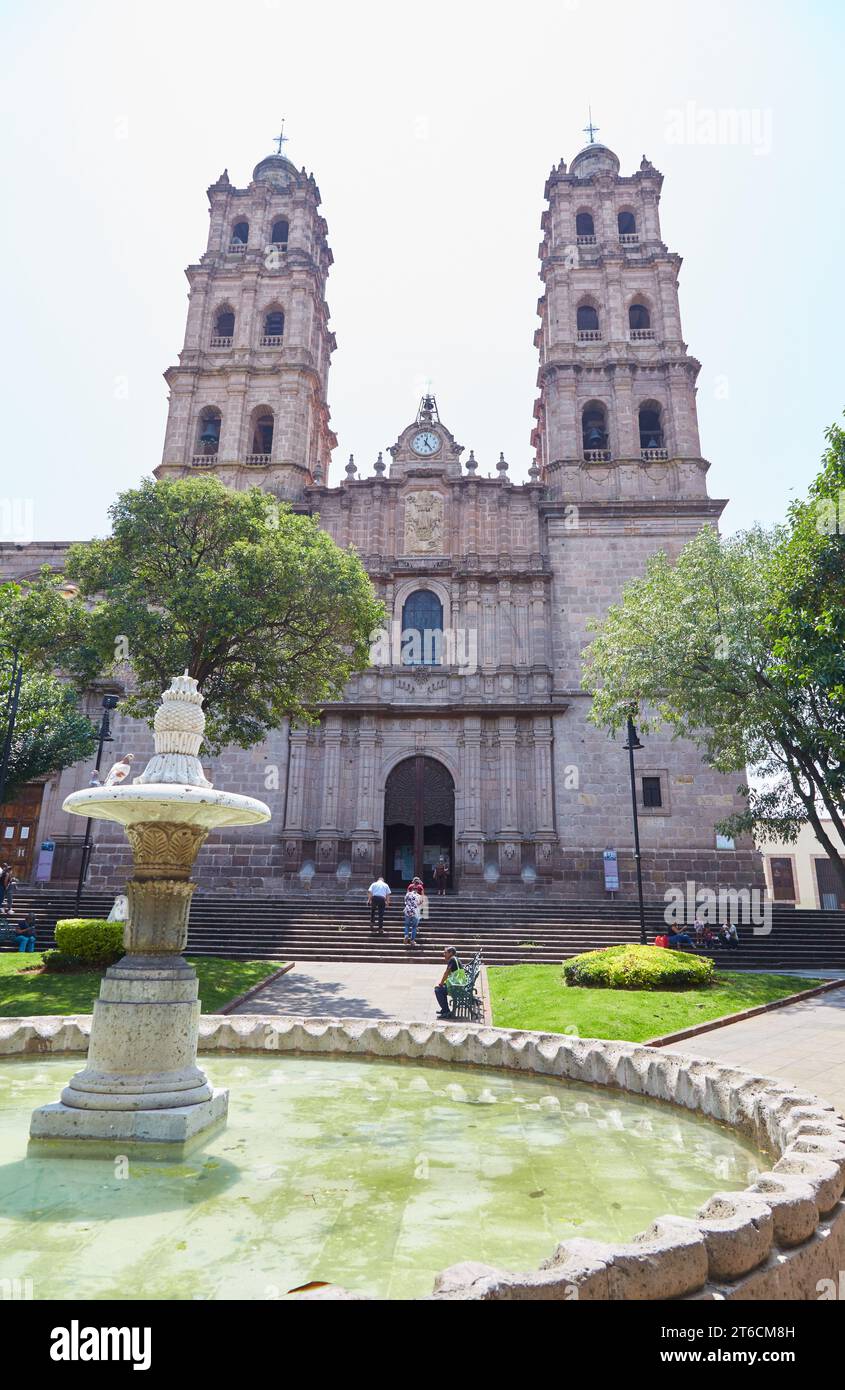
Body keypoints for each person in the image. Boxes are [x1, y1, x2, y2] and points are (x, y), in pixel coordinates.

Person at [434, 946, 462, 1019]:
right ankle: (445, 1010)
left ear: (451, 953)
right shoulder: (455, 959)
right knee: (441, 989)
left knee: (438, 990)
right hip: (458, 984)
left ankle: (446, 1011)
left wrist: (441, 983)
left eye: (445, 952)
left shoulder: (452, 960)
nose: (444, 954)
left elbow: (446, 973)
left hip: (456, 986)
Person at [403, 883, 422, 948]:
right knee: (414, 927)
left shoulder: (407, 894)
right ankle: (412, 940)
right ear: (417, 890)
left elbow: (405, 901)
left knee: (407, 925)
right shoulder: (418, 896)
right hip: (415, 912)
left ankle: (406, 935)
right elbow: (420, 903)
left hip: (408, 911)